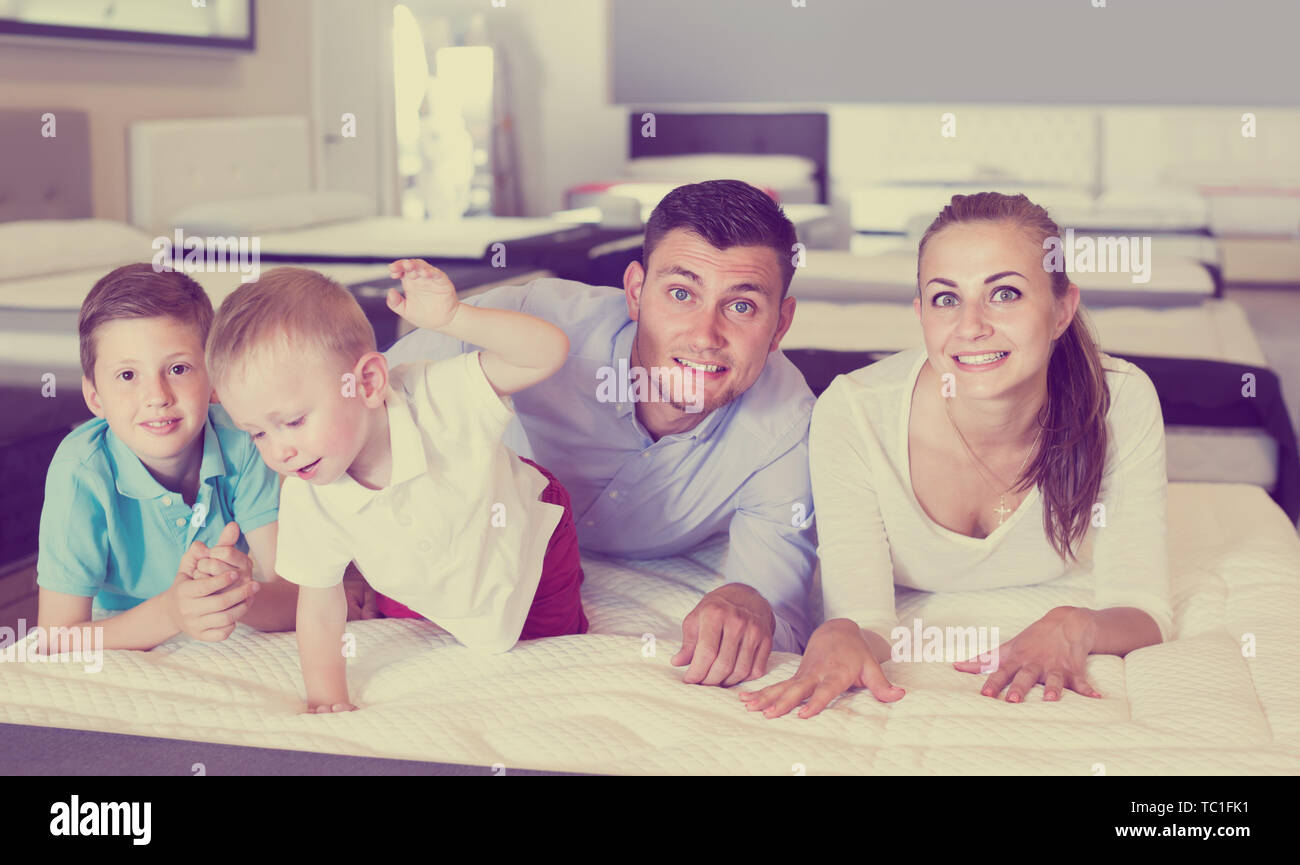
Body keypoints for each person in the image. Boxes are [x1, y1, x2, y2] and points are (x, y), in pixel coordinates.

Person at [740, 192, 1173, 718]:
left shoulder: (1121, 398)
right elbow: (867, 619)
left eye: (1006, 293)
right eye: (947, 299)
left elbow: (1145, 607)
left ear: (1062, 309)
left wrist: (1075, 623)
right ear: (921, 313)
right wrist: (840, 632)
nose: (971, 326)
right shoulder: (853, 414)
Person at [385, 179, 817, 687]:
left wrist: (751, 602)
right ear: (635, 292)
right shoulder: (528, 322)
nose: (705, 336)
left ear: (781, 325)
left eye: (741, 306)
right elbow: (353, 406)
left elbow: (778, 615)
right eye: (681, 294)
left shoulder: (788, 428)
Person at [208, 262, 586, 712]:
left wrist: (454, 318)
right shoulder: (307, 489)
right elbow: (319, 605)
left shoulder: (437, 395)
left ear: (367, 382)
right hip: (417, 549)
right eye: (258, 433)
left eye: (292, 421)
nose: (280, 452)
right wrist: (326, 696)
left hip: (526, 532)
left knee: (548, 646)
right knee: (398, 592)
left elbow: (546, 351)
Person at [35, 264, 302, 649]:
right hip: (118, 627)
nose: (157, 396)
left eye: (178, 368)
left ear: (214, 379)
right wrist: (173, 612)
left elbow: (296, 598)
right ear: (95, 397)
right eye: (128, 376)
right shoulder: (79, 472)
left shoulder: (243, 442)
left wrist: (233, 593)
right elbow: (55, 638)